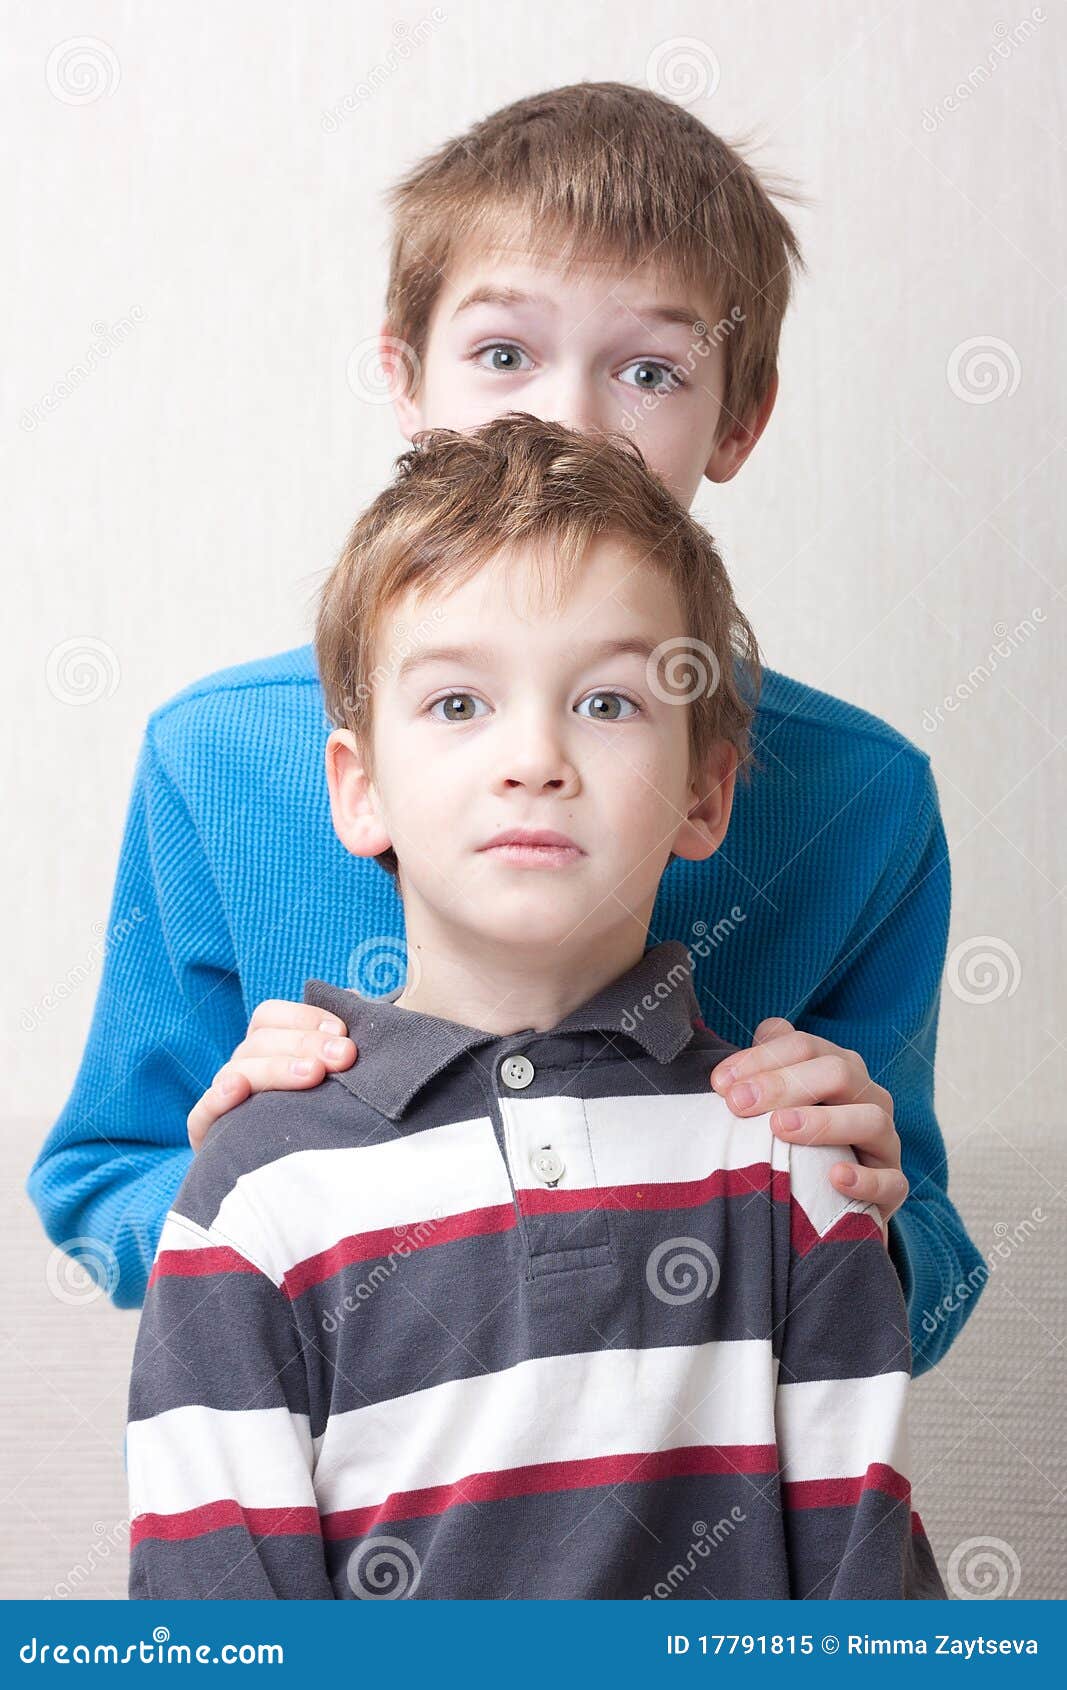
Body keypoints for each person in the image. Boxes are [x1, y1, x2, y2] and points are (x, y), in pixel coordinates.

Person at [29, 82, 983, 1374]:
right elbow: (100, 1196)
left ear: (737, 420)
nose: (562, 421)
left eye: (648, 370)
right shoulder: (217, 760)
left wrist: (871, 1221)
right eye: (501, 355)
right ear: (402, 379)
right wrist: (223, 1188)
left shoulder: (856, 799)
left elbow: (924, 1285)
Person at [127, 415, 946, 1600]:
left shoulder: (791, 1167)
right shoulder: (254, 1194)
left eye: (606, 704)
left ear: (704, 796)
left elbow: (871, 1617)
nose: (534, 757)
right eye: (459, 705)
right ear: (359, 794)